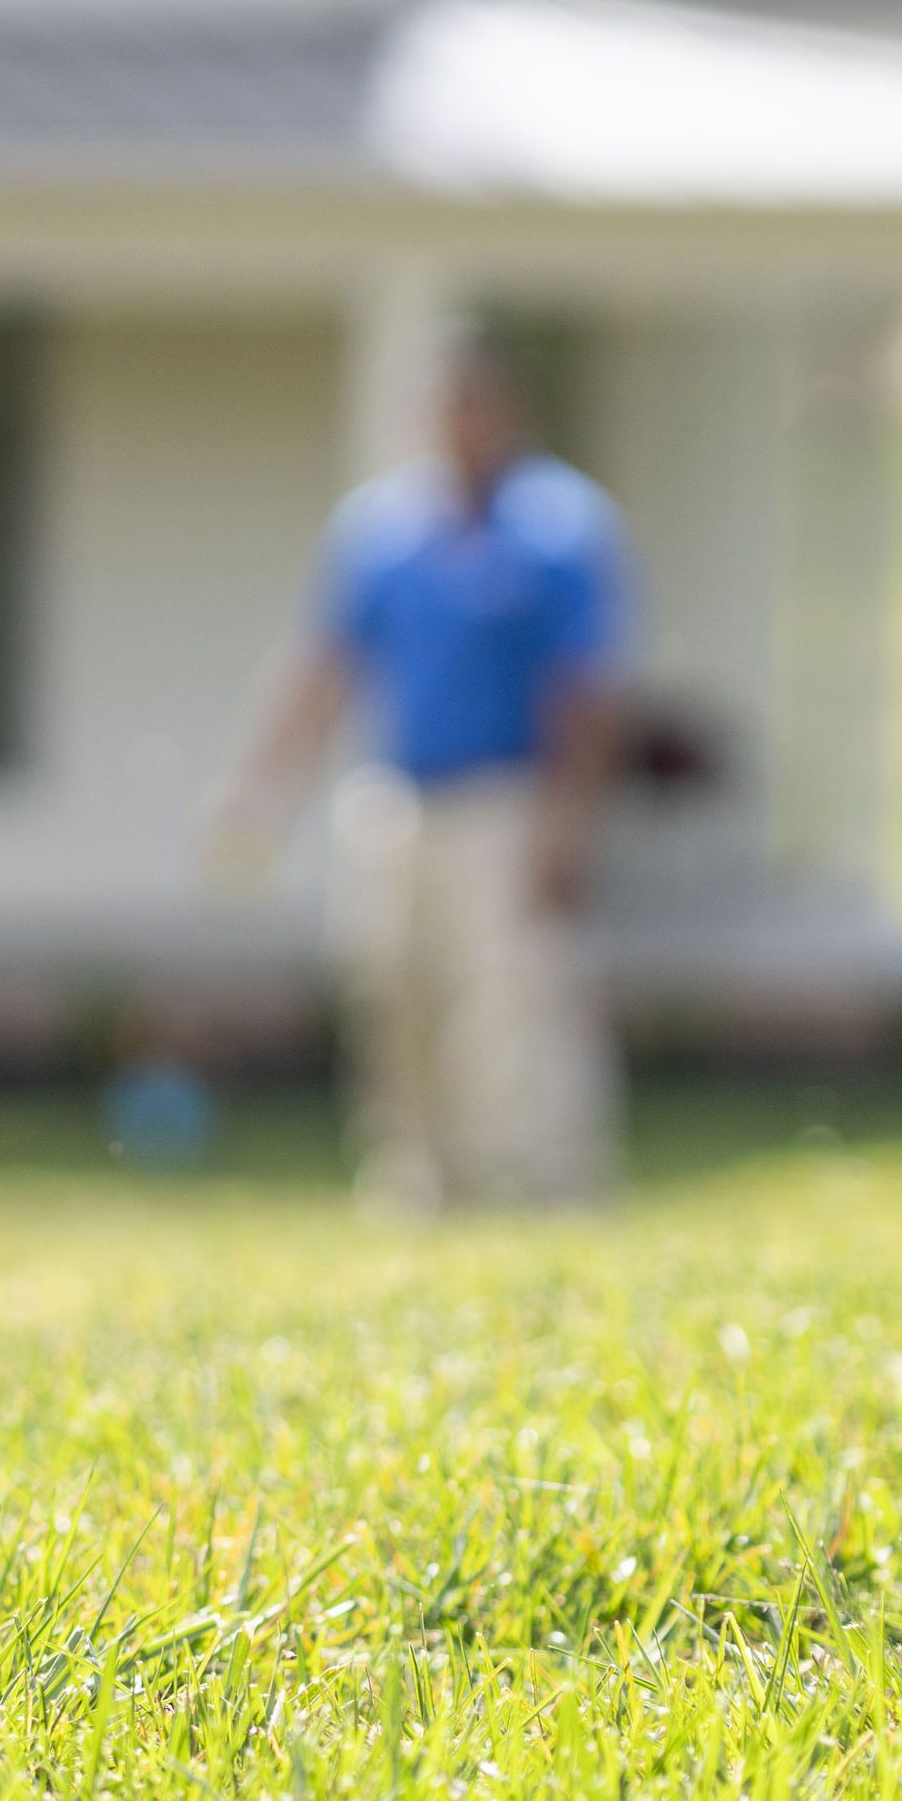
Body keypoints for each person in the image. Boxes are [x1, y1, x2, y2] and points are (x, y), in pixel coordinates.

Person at [212, 337, 631, 1214]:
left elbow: (584, 695)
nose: (459, 425)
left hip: (510, 800)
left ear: (507, 412)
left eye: (475, 405)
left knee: (511, 1003)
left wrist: (569, 822)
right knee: (394, 996)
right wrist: (262, 789)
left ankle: (533, 1187)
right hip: (401, 798)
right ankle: (420, 1188)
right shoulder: (383, 529)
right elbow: (328, 666)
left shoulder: (560, 527)